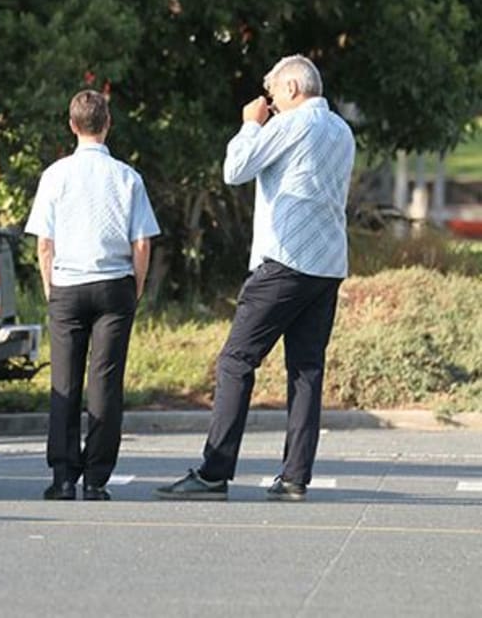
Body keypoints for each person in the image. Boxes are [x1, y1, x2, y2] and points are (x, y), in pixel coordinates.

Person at [155, 55, 355, 502]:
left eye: (273, 93)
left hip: (284, 261)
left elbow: (235, 170)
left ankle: (214, 472)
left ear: (292, 88)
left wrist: (250, 124)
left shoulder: (291, 123)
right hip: (327, 264)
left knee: (235, 361)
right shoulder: (341, 130)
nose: (271, 102)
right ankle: (294, 477)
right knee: (306, 370)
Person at [25, 89, 160, 501]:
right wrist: (135, 286)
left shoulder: (55, 175)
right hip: (114, 283)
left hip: (67, 283)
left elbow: (44, 243)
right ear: (108, 124)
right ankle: (97, 477)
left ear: (72, 125)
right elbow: (142, 242)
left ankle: (63, 476)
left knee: (64, 381)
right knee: (106, 383)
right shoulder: (127, 177)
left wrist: (50, 286)